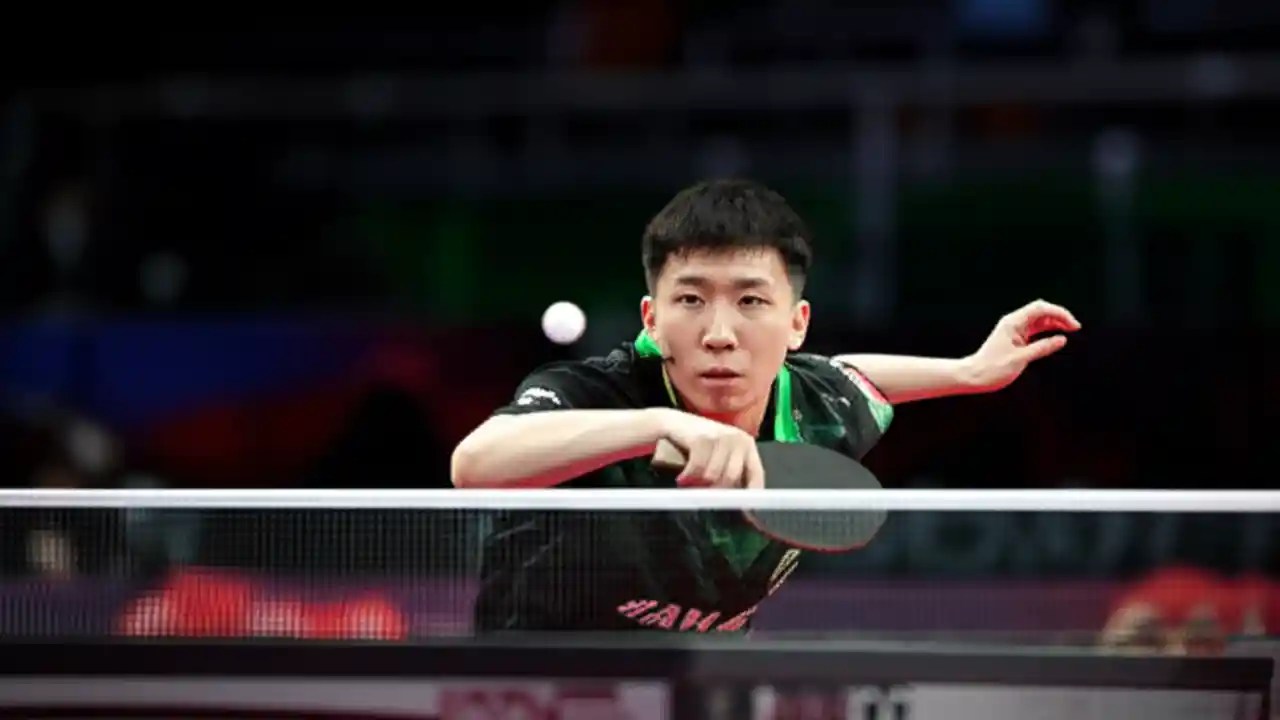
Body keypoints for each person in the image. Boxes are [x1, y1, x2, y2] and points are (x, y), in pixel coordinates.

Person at [452, 178, 1080, 633]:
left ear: (797, 323)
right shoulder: (596, 396)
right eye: (691, 300)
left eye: (751, 302)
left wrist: (968, 372)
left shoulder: (818, 411)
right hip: (538, 692)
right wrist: (656, 426)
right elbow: (474, 464)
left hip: (695, 695)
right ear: (652, 319)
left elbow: (858, 375)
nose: (719, 333)